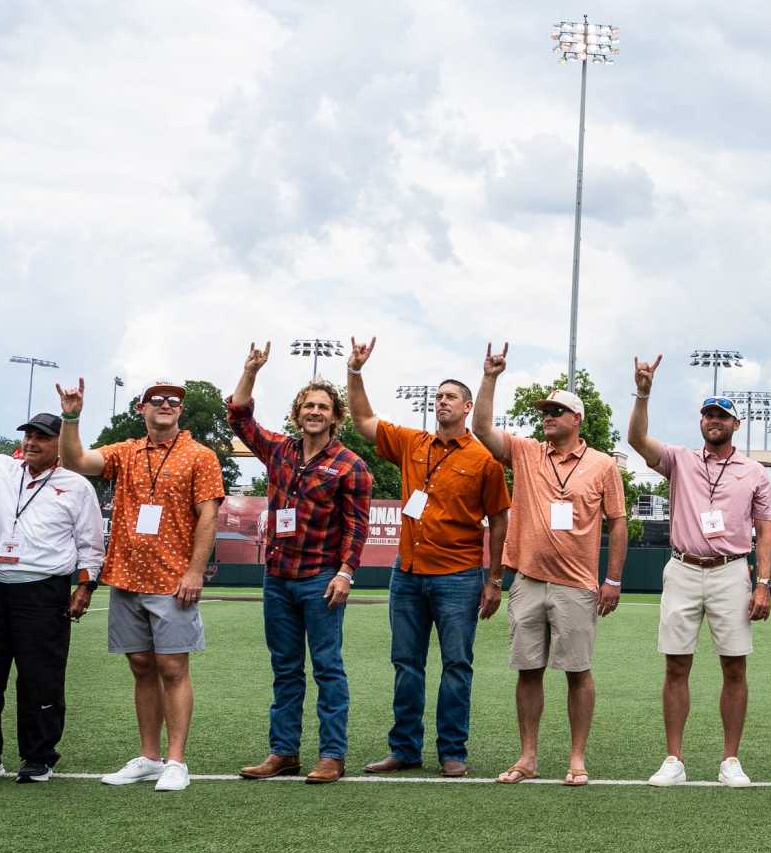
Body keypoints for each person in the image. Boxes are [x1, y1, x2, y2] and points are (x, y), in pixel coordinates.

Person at [345, 336, 512, 778]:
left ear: (467, 406)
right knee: (406, 664)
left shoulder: (484, 460)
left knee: (456, 665)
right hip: (408, 574)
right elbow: (362, 419)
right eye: (438, 396)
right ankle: (404, 749)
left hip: (458, 577)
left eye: (450, 397)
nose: (441, 402)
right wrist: (355, 371)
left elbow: (499, 520)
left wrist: (493, 580)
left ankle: (452, 751)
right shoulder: (411, 443)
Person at [58, 376, 222, 792]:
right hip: (127, 577)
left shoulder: (199, 456)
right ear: (141, 408)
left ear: (179, 411)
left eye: (173, 401)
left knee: (172, 667)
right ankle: (149, 757)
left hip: (172, 578)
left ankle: (176, 761)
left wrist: (195, 570)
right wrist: (71, 417)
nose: (166, 405)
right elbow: (75, 461)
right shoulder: (126, 452)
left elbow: (208, 516)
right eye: (157, 400)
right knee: (141, 667)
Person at [472, 344, 627, 787]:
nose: (548, 415)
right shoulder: (525, 452)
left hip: (577, 585)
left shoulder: (602, 465)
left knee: (578, 671)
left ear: (577, 419)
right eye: (546, 410)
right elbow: (482, 427)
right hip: (527, 580)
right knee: (528, 669)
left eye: (557, 410)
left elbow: (618, 524)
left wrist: (612, 578)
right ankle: (528, 756)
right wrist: (490, 378)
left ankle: (577, 757)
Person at [0, 396, 102, 784]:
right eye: (28, 435)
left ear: (59, 444)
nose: (31, 442)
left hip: (42, 590)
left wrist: (85, 587)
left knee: (40, 677)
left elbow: (90, 543)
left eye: (42, 437)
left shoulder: (76, 486)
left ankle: (38, 757)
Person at [627, 354, 771, 788]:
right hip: (684, 567)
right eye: (708, 414)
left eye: (721, 415)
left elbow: (765, 532)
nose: (714, 421)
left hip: (731, 570)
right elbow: (637, 439)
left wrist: (764, 584)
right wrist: (643, 392)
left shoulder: (754, 472)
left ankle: (730, 759)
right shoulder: (679, 459)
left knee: (734, 666)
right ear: (701, 422)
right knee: (676, 665)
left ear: (735, 424)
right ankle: (674, 758)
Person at [227, 342, 371, 785]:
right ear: (297, 412)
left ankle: (332, 755)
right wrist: (250, 369)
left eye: (323, 406)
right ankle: (283, 752)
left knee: (328, 668)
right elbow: (239, 417)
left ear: (335, 416)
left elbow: (357, 526)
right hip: (278, 578)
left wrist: (346, 572)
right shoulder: (279, 451)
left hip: (321, 579)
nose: (314, 412)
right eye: (308, 405)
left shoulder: (351, 466)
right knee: (285, 669)